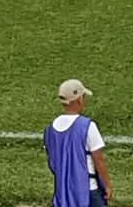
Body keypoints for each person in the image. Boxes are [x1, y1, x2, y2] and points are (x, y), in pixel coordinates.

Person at [45, 79, 110, 207]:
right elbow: (99, 161)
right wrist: (107, 185)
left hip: (63, 193)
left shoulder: (51, 129)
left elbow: (52, 161)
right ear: (80, 100)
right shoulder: (87, 126)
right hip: (88, 192)